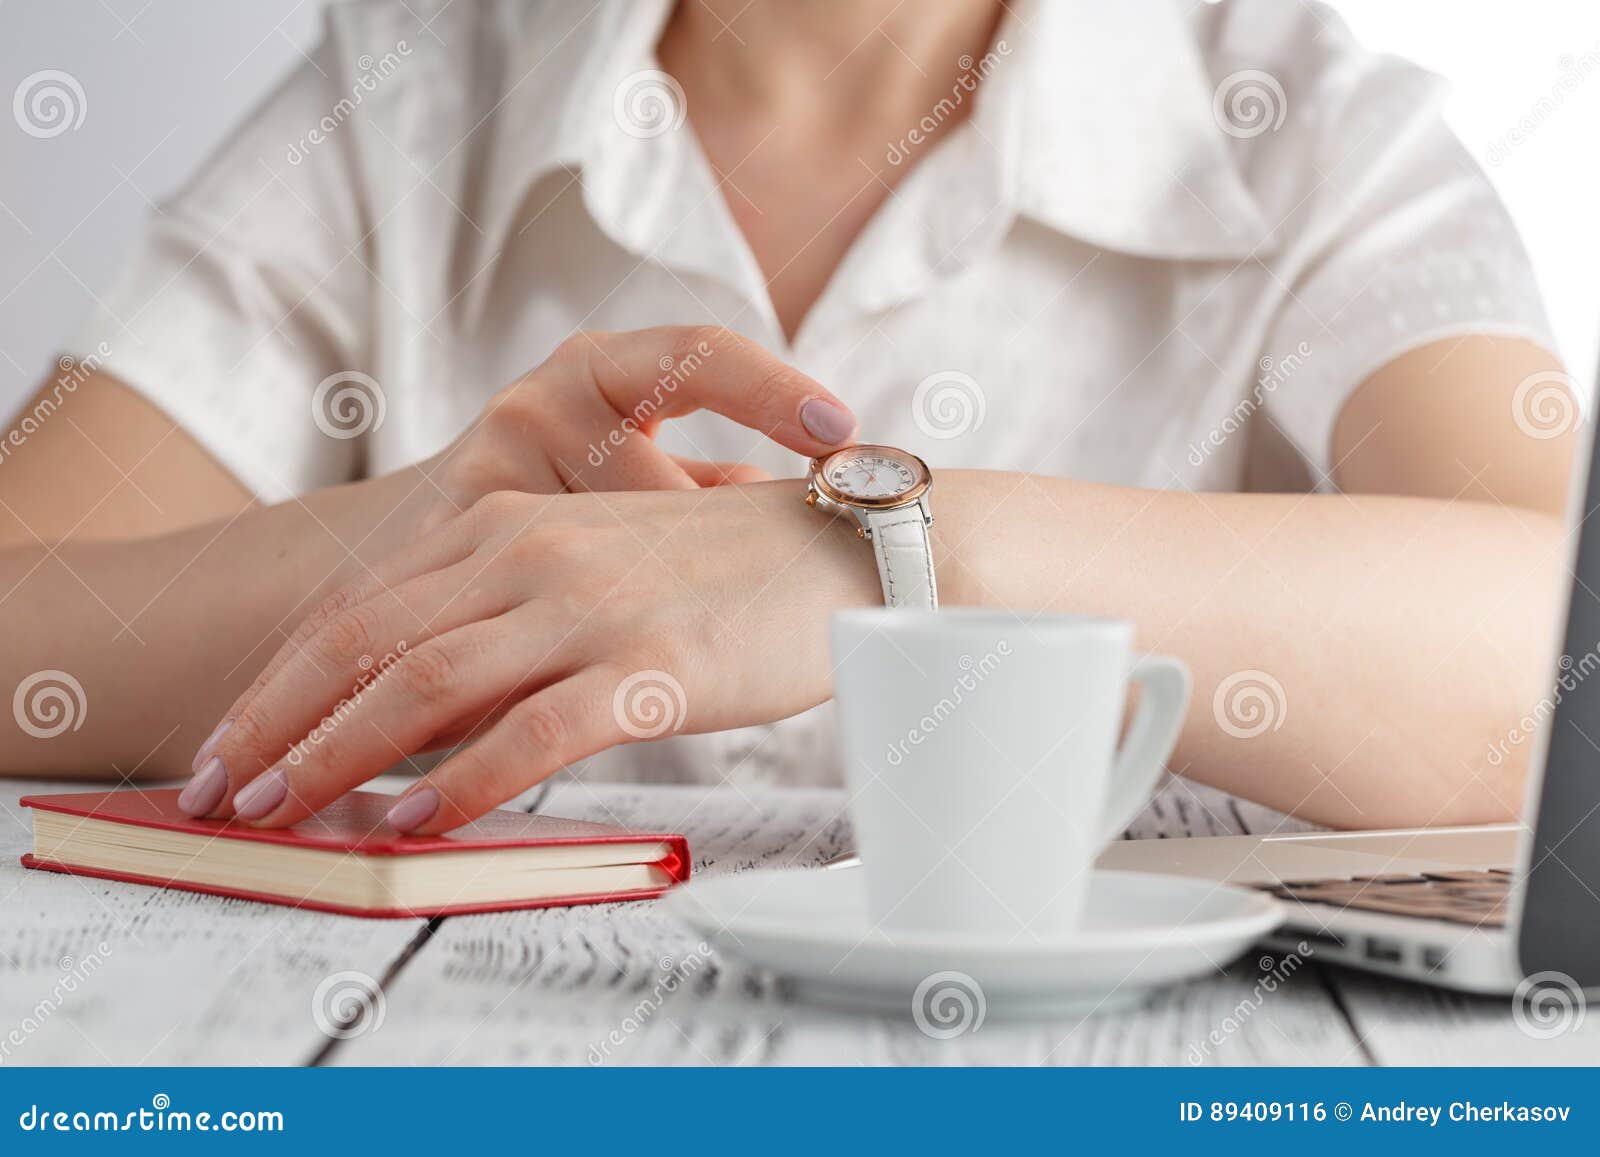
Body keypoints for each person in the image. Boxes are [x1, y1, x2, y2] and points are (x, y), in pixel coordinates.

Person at [0, 0, 1581, 836]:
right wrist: (422, 541)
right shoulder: (406, 88)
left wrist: (890, 559)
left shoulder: (1306, 133)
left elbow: (1562, 653)